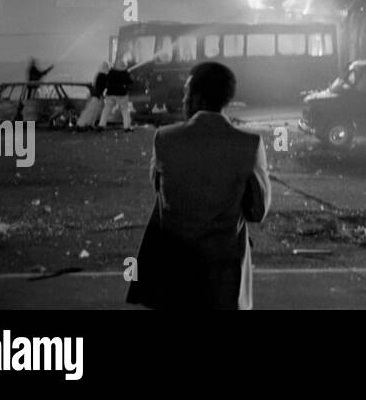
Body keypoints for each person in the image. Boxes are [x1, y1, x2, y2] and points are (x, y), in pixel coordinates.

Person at [126, 61, 270, 310]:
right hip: (224, 275)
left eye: (186, 93)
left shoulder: (165, 138)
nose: (183, 100)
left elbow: (160, 191)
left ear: (197, 98)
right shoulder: (249, 144)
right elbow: (257, 212)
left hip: (174, 272)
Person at [99, 55, 135, 132]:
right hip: (122, 95)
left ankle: (101, 125)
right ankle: (127, 127)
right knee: (125, 111)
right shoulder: (125, 73)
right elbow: (131, 82)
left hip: (110, 94)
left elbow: (106, 81)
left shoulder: (111, 72)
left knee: (106, 110)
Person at [76, 62, 109, 131]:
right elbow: (104, 86)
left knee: (94, 110)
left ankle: (87, 124)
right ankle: (83, 124)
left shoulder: (99, 75)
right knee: (93, 110)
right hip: (97, 96)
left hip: (95, 95)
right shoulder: (103, 76)